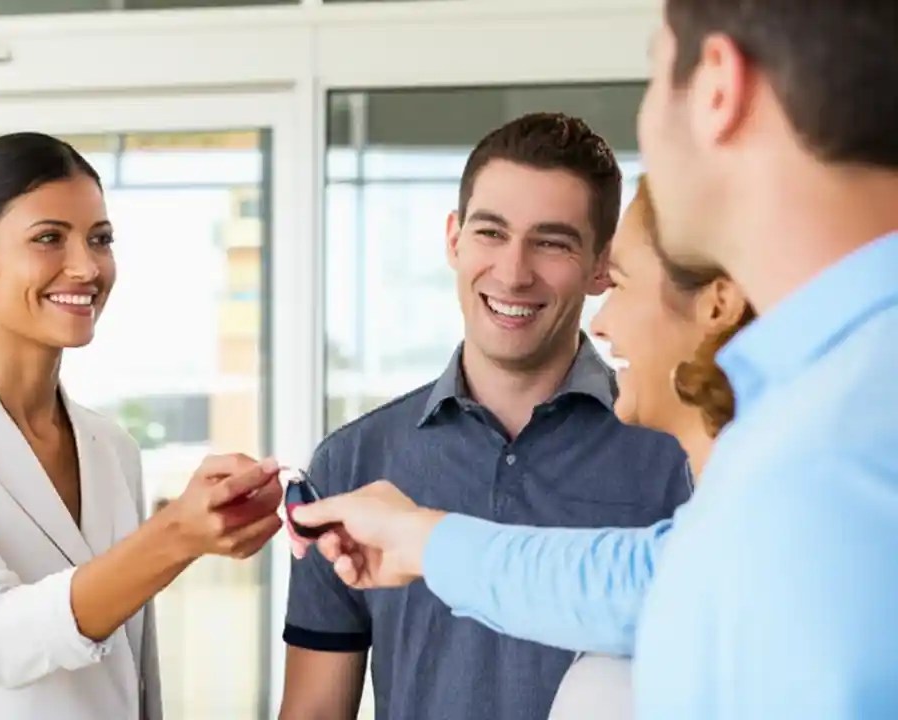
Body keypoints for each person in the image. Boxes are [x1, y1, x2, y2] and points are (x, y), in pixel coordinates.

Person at [292, 2, 898, 717]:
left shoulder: (818, 439)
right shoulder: (815, 412)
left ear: (715, 88)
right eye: (492, 232)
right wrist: (424, 539)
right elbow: (649, 578)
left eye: (651, 75)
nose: (515, 271)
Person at [0, 132, 285, 720]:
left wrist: (188, 532)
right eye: (49, 238)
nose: (86, 267)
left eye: (99, 239)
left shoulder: (111, 446)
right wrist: (177, 534)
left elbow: (134, 671)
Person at [278, 113, 691, 720]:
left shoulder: (674, 459)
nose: (513, 271)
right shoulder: (352, 463)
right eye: (491, 233)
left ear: (602, 265)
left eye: (551, 242)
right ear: (453, 238)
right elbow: (313, 712)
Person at [546, 176, 752, 719]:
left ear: (716, 305)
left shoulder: (763, 545)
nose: (601, 322)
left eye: (620, 283)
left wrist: (423, 541)